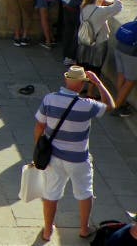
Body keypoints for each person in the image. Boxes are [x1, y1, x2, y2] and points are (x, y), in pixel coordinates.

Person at [34, 65, 115, 242]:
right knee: (84, 192)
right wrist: (99, 83)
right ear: (81, 85)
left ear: (66, 80)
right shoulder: (87, 106)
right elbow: (111, 105)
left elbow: (40, 126)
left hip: (53, 156)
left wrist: (38, 152)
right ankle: (84, 229)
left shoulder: (49, 99)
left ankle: (48, 231)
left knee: (50, 193)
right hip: (79, 159)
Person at [77, 0, 123, 99]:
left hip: (84, 41)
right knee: (95, 68)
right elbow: (118, 7)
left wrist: (102, 1)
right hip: (98, 43)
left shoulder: (84, 7)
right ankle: (90, 93)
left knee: (83, 66)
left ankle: (79, 89)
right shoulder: (100, 11)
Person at [61, 0, 99, 66]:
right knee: (77, 35)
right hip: (75, 11)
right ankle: (70, 57)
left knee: (68, 31)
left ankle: (64, 54)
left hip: (65, 7)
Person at [112, 20, 137, 117]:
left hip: (119, 48)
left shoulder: (133, 24)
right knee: (130, 81)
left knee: (121, 76)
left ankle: (121, 102)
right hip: (131, 53)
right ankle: (117, 107)